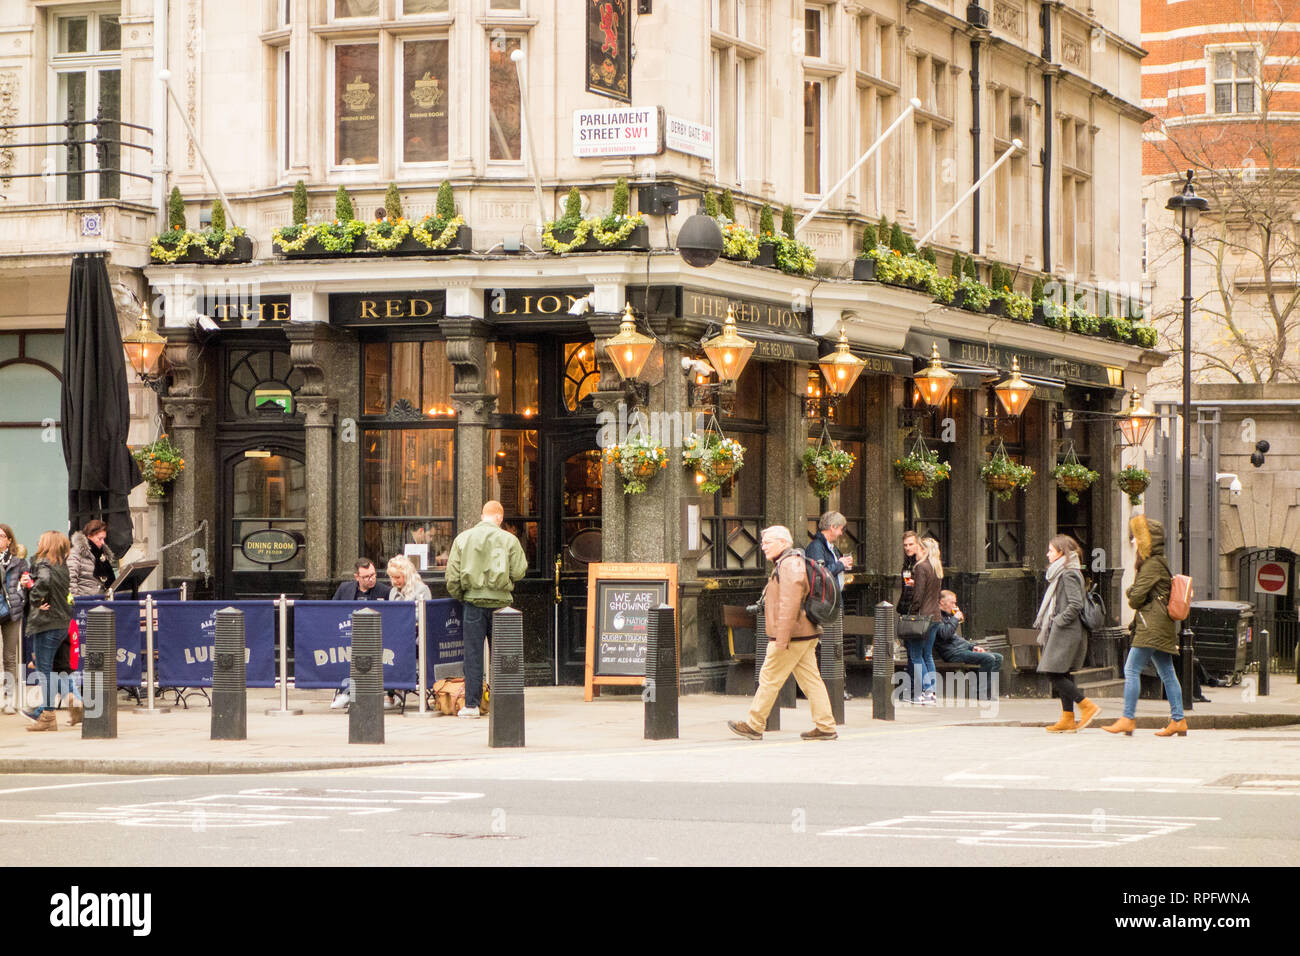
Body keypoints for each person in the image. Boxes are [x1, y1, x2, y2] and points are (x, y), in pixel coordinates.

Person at [728, 525, 838, 741]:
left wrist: (781, 638)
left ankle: (754, 724)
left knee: (769, 677)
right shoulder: (789, 562)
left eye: (768, 542)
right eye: (763, 542)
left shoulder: (789, 564)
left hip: (793, 635)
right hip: (803, 633)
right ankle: (825, 726)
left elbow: (789, 604)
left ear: (782, 542)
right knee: (811, 680)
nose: (763, 547)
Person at [1105, 515, 1187, 737]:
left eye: (1135, 537)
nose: (1132, 541)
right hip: (1161, 625)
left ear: (1145, 540)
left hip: (1151, 625)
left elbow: (1135, 598)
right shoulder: (1158, 562)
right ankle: (1178, 720)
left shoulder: (1151, 565)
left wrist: (1131, 592)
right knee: (1167, 672)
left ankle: (1128, 718)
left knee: (1131, 669)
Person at [444, 501, 527, 719]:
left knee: (472, 656)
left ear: (482, 515)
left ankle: (471, 705)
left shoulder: (463, 539)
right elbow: (519, 572)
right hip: (501, 605)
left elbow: (452, 577)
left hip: (473, 603)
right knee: (504, 656)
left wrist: (464, 596)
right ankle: (504, 703)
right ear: (499, 517)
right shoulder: (510, 539)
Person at [1036, 534, 1100, 732]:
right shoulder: (1062, 572)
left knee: (1052, 672)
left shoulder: (1069, 573)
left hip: (1066, 631)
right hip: (1064, 631)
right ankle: (1067, 718)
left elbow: (1076, 604)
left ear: (1061, 553)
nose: (1047, 554)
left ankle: (1087, 706)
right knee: (1062, 672)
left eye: (1051, 550)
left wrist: (1058, 621)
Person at [21, 531, 75, 731]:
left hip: (47, 623)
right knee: (50, 669)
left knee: (45, 671)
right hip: (61, 622)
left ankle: (48, 715)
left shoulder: (43, 563)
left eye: (41, 540)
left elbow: (42, 582)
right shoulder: (62, 566)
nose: (38, 542)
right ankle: (67, 702)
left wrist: (34, 595)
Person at [329, 558, 388, 710]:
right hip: (347, 636)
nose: (371, 579)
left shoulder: (384, 591)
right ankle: (345, 693)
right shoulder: (344, 589)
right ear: (357, 577)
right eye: (366, 576)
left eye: (373, 575)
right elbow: (332, 611)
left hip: (376, 638)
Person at [934, 590, 1002, 699]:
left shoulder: (948, 616)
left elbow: (957, 639)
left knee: (998, 658)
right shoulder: (937, 616)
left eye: (955, 603)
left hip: (961, 650)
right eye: (952, 603)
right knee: (988, 658)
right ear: (942, 602)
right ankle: (980, 693)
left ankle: (986, 691)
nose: (954, 606)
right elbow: (944, 634)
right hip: (952, 654)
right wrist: (955, 618)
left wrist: (972, 647)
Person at [902, 534, 942, 705]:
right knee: (927, 655)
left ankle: (927, 690)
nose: (914, 549)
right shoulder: (936, 567)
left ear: (923, 549)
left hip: (922, 617)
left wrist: (911, 612)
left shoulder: (921, 567)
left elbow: (918, 596)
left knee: (916, 655)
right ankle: (932, 691)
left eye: (917, 546)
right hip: (936, 616)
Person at [0, 524, 30, 715]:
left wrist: (21, 594)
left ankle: (9, 698)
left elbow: (26, 582)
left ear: (9, 540)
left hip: (11, 612)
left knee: (10, 656)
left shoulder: (19, 562)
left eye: (2, 536)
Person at [805, 511, 854, 591]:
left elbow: (832, 568)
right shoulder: (816, 547)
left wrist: (843, 565)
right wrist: (840, 564)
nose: (841, 533)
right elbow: (819, 575)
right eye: (841, 529)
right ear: (833, 527)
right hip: (823, 601)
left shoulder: (831, 546)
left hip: (831, 599)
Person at [68, 519, 117, 598]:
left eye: (104, 539)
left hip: (101, 602)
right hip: (84, 602)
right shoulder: (75, 554)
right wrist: (77, 602)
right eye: (100, 539)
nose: (103, 542)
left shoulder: (102, 555)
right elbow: (70, 580)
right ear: (89, 536)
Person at [897, 530, 919, 614]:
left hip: (916, 609)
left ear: (917, 544)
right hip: (905, 608)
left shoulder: (921, 562)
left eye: (911, 544)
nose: (908, 548)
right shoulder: (907, 562)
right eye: (905, 545)